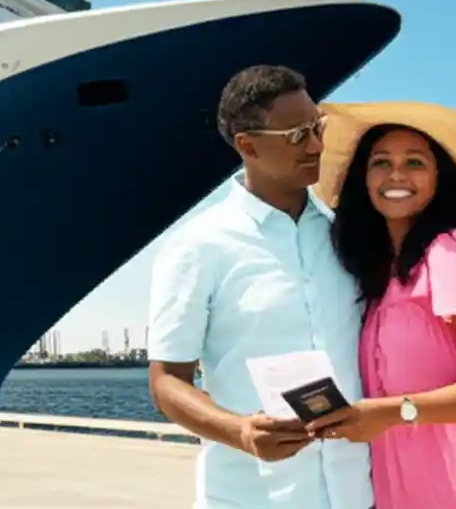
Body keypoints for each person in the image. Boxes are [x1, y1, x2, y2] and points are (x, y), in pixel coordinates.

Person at [147, 65, 373, 509]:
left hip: (356, 493)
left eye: (317, 127)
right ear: (247, 145)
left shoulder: (347, 239)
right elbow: (166, 383)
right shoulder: (198, 246)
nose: (315, 145)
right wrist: (240, 431)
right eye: (297, 135)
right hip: (251, 496)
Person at [304, 101, 456, 509]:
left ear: (437, 181)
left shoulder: (450, 252)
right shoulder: (378, 276)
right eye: (380, 162)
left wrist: (393, 413)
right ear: (363, 178)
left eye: (415, 163)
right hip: (398, 484)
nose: (396, 174)